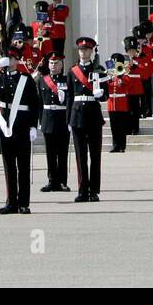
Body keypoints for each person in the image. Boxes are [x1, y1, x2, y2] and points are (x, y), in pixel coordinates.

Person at [0, 47, 42, 215]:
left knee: (23, 167)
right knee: (9, 168)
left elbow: (34, 104)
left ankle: (23, 203)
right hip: (5, 127)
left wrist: (34, 126)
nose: (9, 61)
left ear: (18, 60)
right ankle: (11, 201)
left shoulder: (25, 80)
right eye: (6, 58)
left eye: (12, 58)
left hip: (21, 126)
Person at [66, 37, 106, 202]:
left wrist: (101, 94)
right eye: (81, 50)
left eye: (87, 50)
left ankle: (94, 190)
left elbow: (106, 95)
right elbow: (69, 97)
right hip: (77, 115)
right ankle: (82, 190)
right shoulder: (72, 71)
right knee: (80, 156)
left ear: (91, 52)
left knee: (95, 155)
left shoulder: (99, 71)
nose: (84, 52)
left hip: (94, 115)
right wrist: (68, 119)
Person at [37, 54, 71, 193]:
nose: (53, 66)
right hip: (48, 118)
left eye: (56, 63)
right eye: (51, 63)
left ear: (62, 65)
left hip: (62, 118)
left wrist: (70, 119)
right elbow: (39, 102)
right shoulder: (42, 80)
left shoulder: (66, 79)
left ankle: (62, 181)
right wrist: (40, 120)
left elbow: (71, 100)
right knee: (50, 153)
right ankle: (52, 180)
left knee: (62, 152)